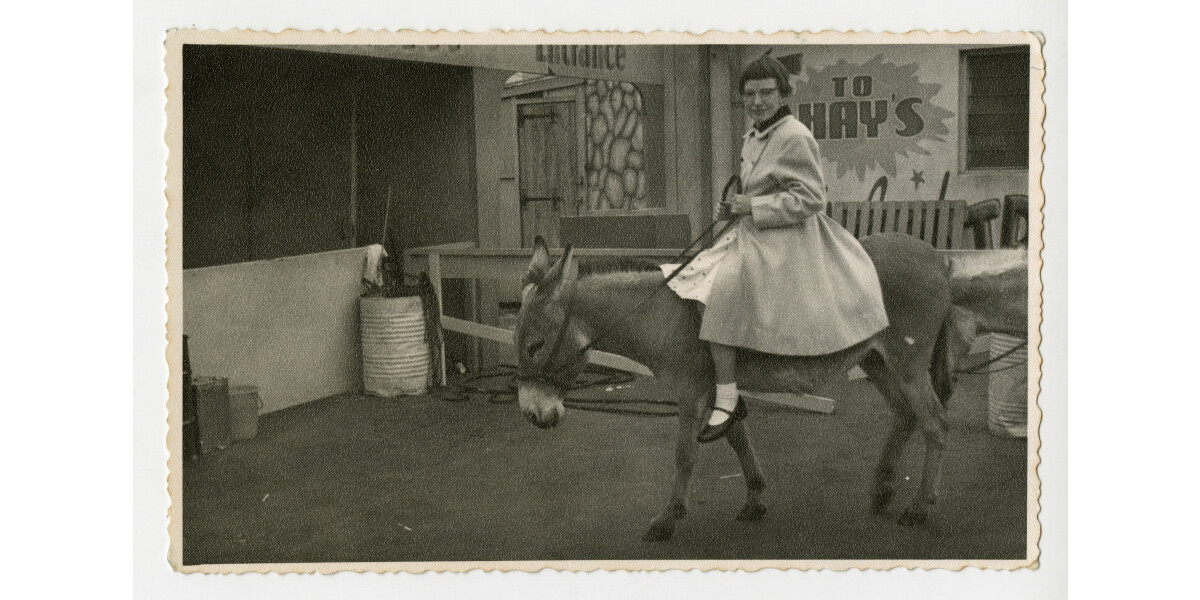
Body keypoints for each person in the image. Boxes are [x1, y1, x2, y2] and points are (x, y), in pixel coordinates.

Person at [659, 54, 890, 443]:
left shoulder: (794, 135)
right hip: (758, 230)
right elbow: (760, 188)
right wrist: (736, 207)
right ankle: (726, 378)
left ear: (783, 94)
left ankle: (728, 396)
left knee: (721, 289)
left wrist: (753, 206)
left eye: (767, 92)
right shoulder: (755, 135)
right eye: (749, 94)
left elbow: (812, 198)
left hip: (791, 238)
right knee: (692, 275)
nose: (757, 101)